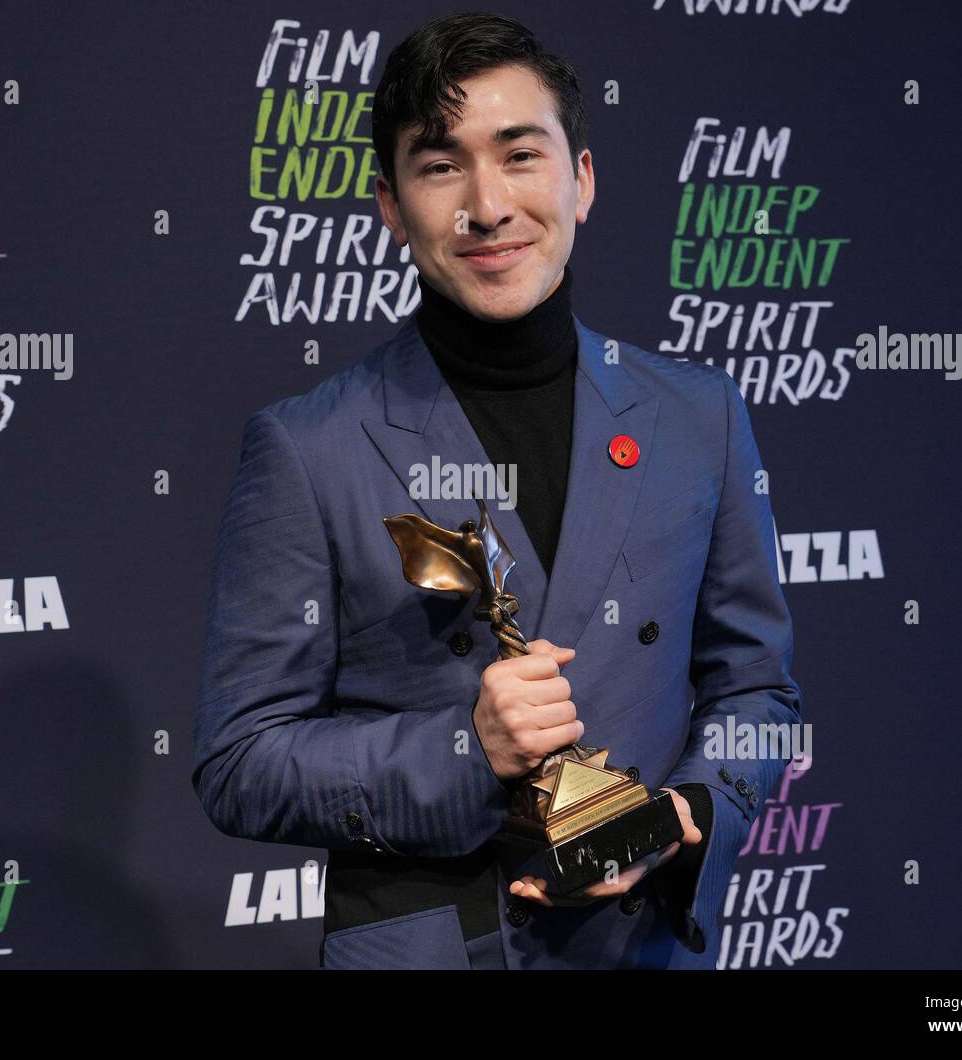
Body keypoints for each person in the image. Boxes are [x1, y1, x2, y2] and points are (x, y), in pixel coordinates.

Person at [191, 12, 803, 970]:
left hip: (641, 951)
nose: (488, 204)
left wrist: (681, 818)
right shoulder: (309, 447)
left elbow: (760, 693)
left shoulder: (700, 418)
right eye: (440, 166)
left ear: (582, 179)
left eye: (521, 154)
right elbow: (240, 765)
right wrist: (466, 747)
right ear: (392, 206)